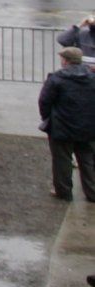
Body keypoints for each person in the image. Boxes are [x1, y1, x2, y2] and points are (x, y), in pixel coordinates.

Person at [40, 45, 95, 201]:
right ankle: (92, 191)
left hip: (62, 127)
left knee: (62, 161)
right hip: (89, 127)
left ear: (65, 61)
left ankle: (63, 192)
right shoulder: (92, 77)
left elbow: (44, 101)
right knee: (88, 160)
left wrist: (48, 118)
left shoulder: (56, 78)